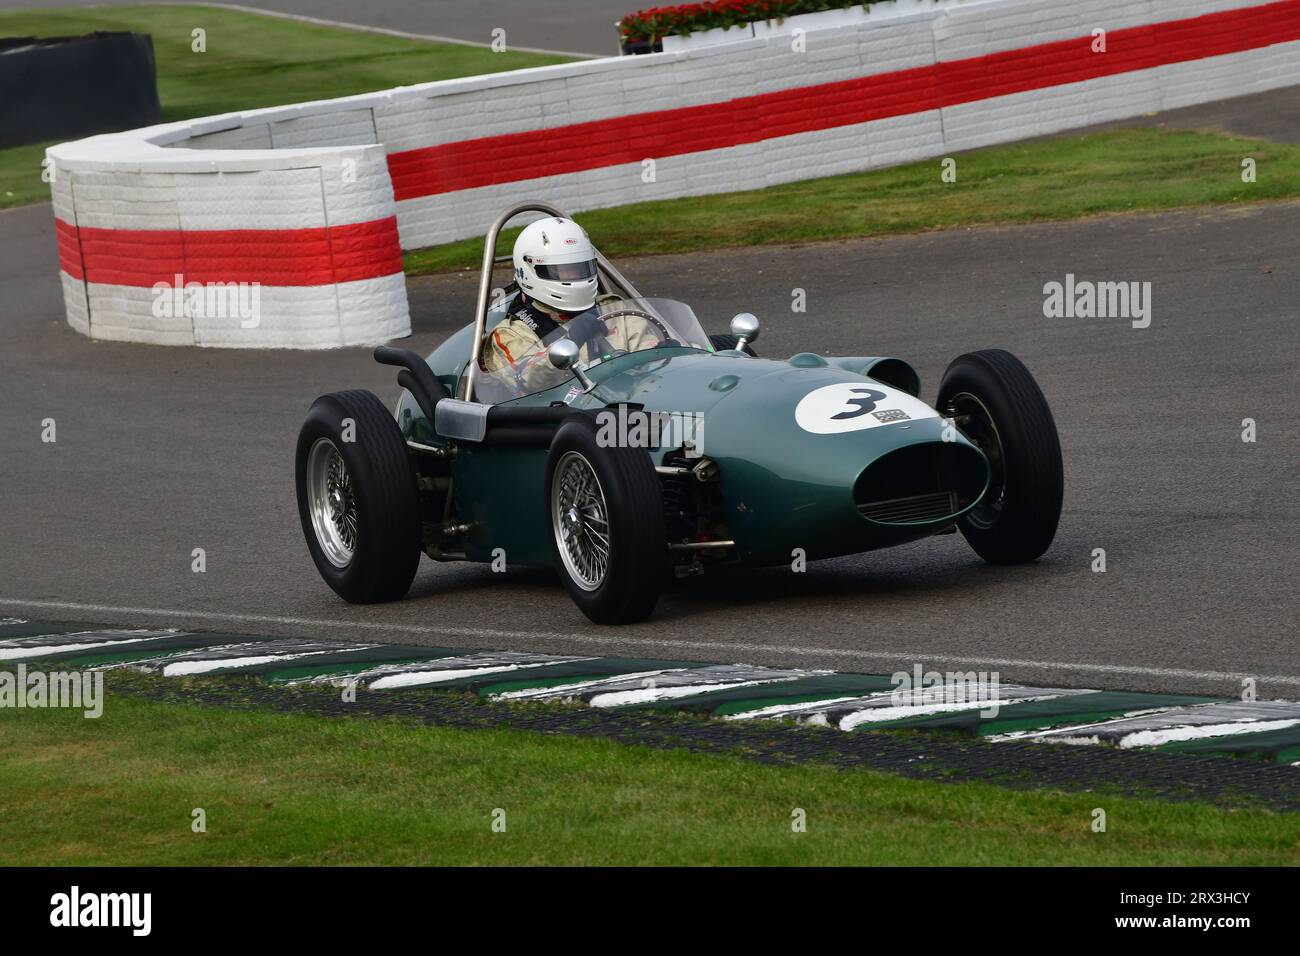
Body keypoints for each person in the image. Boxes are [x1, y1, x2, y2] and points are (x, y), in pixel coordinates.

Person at [480, 217, 658, 397]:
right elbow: (529, 380)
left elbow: (652, 370)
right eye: (563, 270)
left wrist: (666, 355)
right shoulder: (510, 334)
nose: (574, 276)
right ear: (529, 271)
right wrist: (570, 342)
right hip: (557, 420)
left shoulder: (616, 311)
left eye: (581, 268)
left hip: (626, 412)